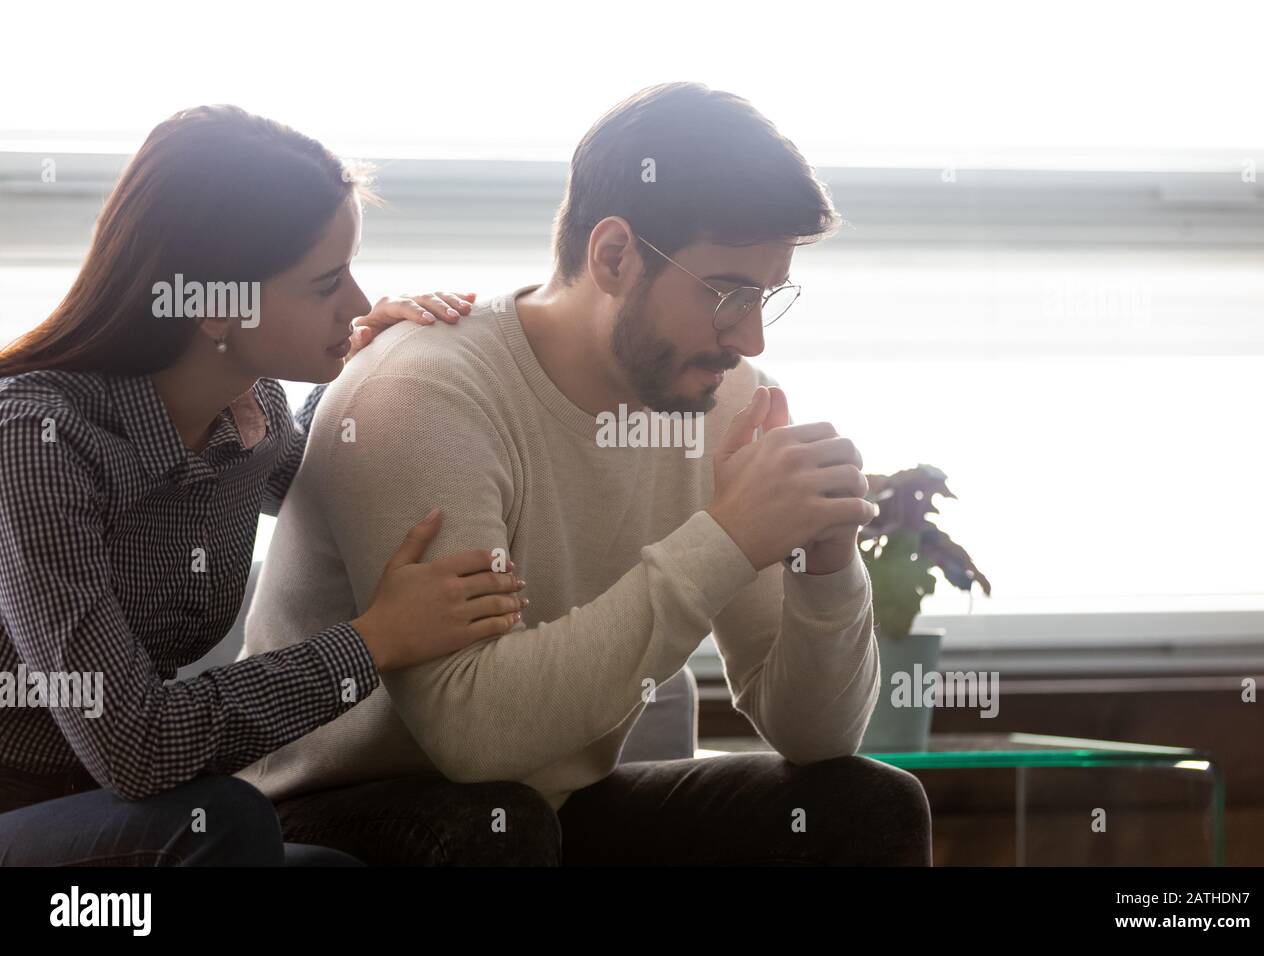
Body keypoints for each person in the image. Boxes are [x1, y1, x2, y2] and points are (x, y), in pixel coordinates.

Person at [242, 83, 932, 865]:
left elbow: (817, 734)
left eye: (766, 296)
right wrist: (730, 537)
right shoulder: (423, 394)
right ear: (613, 255)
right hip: (330, 809)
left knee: (866, 804)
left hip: (548, 803)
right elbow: (471, 737)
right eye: (727, 293)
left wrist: (825, 568)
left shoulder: (727, 396)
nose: (751, 338)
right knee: (493, 824)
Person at [0, 105, 557, 866]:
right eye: (326, 283)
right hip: (37, 807)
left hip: (132, 814)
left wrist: (372, 368)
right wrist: (376, 640)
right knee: (226, 821)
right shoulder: (38, 441)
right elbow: (138, 748)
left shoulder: (252, 407)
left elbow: (326, 484)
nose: (360, 301)